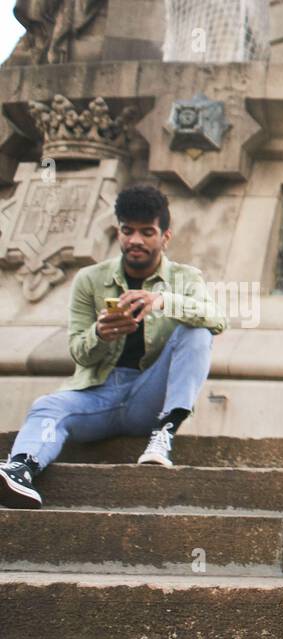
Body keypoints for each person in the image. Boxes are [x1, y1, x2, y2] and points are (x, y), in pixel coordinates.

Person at [0, 184, 225, 508]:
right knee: (47, 406)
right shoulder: (89, 279)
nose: (136, 240)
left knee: (197, 333)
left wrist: (162, 301)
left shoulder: (186, 278)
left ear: (165, 237)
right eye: (127, 231)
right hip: (98, 395)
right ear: (118, 233)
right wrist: (100, 334)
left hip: (150, 396)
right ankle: (21, 468)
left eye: (147, 232)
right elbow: (78, 350)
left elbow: (217, 320)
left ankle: (164, 434)